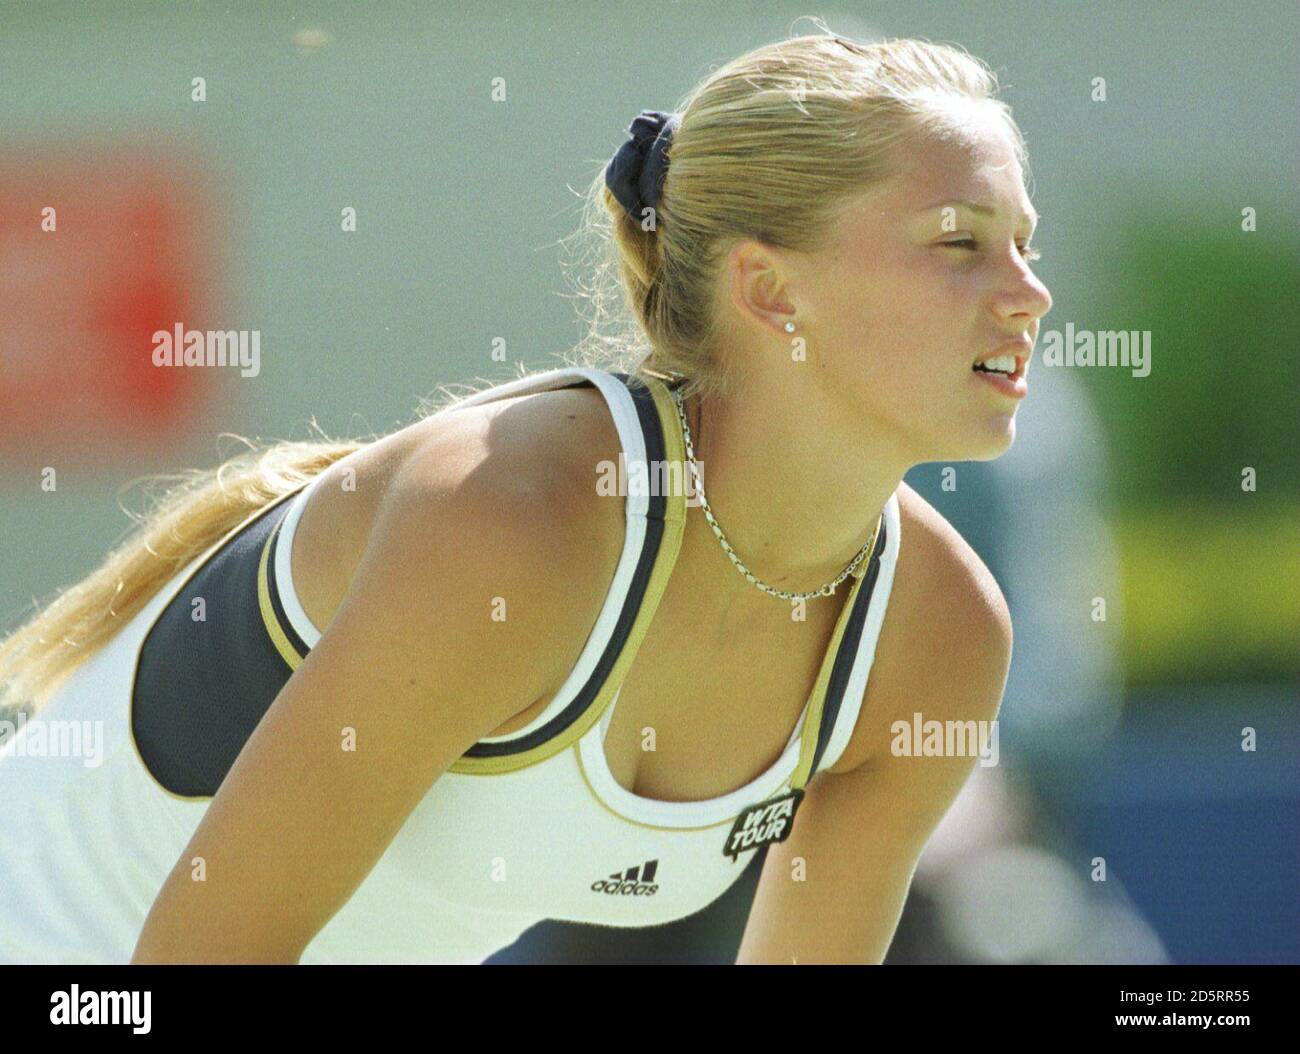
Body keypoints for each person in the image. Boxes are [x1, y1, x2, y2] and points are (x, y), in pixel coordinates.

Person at [0, 30, 1050, 965]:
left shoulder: (941, 640)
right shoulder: (514, 524)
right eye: (958, 242)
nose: (1027, 292)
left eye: (1024, 243)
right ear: (771, 291)